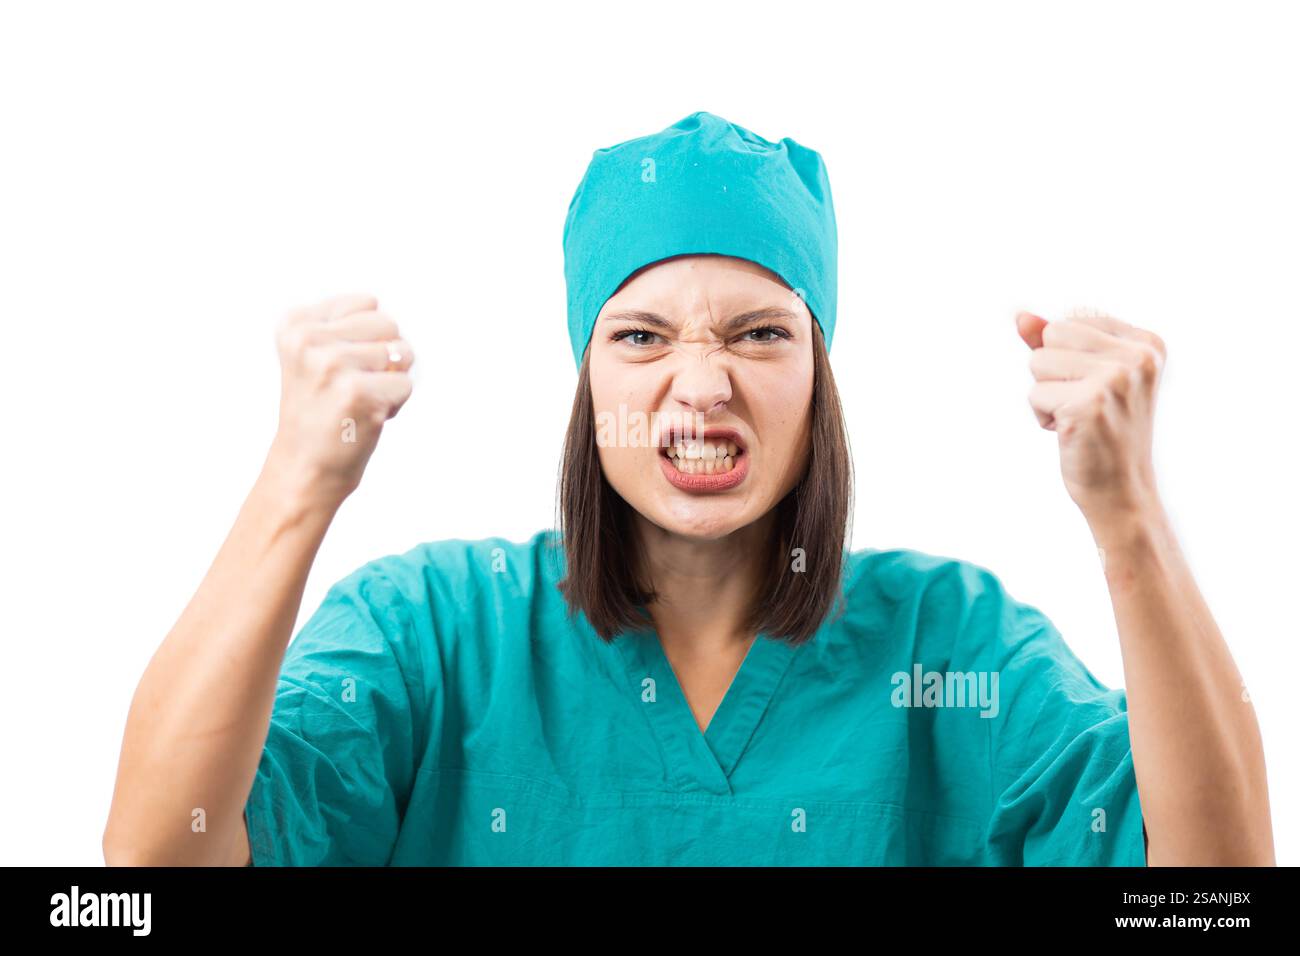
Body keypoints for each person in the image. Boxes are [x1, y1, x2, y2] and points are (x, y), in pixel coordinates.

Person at [102, 111, 1274, 866]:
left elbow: (1213, 888)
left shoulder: (952, 644)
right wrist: (296, 488)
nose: (700, 386)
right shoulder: (431, 636)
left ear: (820, 376)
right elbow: (151, 871)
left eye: (762, 334)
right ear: (584, 376)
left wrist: (1127, 520)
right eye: (642, 336)